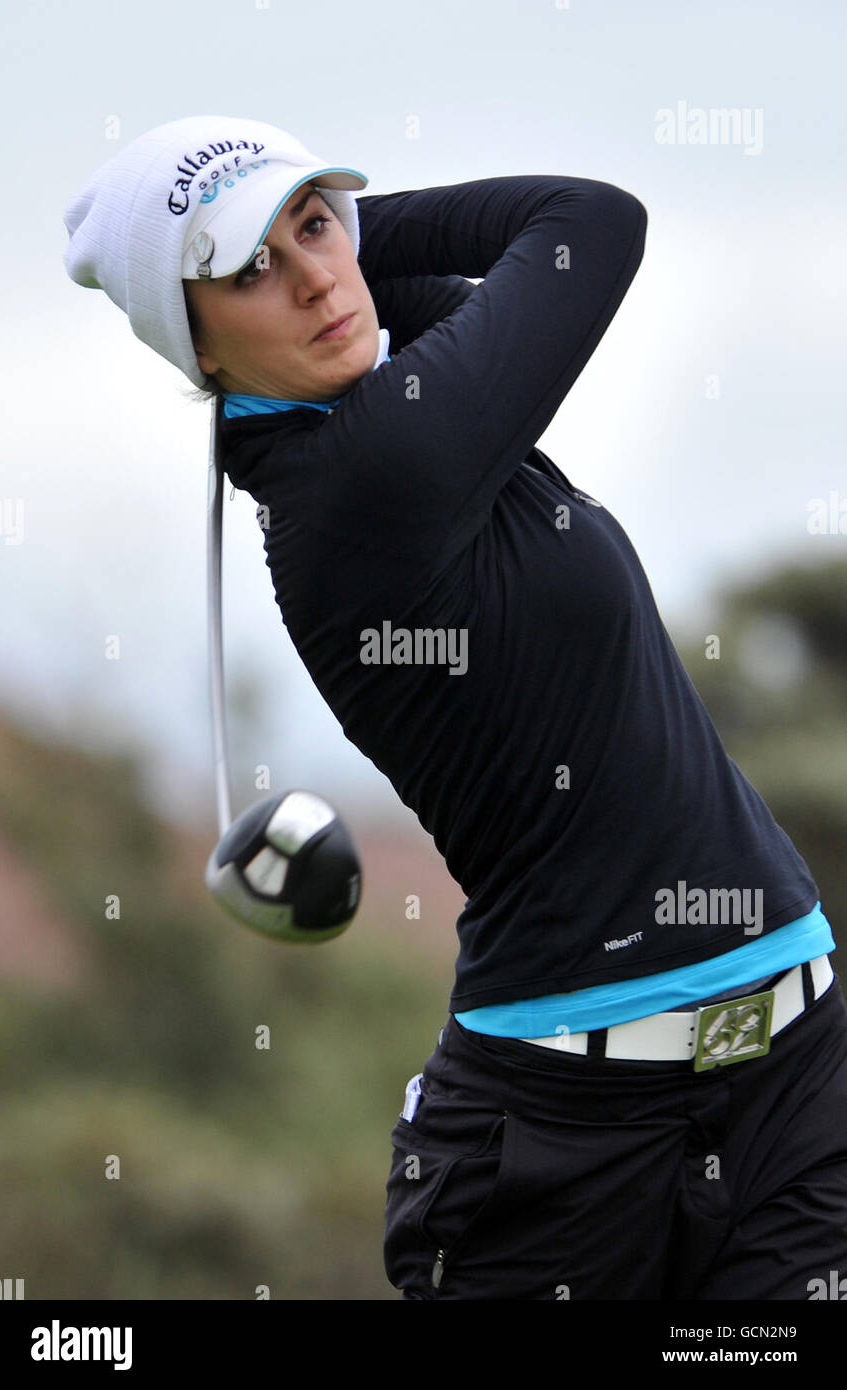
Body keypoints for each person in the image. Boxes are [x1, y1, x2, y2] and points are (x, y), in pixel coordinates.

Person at [63, 115, 847, 1301]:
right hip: (569, 1149)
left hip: (791, 1069)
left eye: (318, 226)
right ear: (199, 349)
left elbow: (480, 274)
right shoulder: (368, 479)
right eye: (247, 271)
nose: (316, 280)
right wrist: (344, 225)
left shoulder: (363, 387)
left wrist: (301, 227)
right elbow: (588, 223)